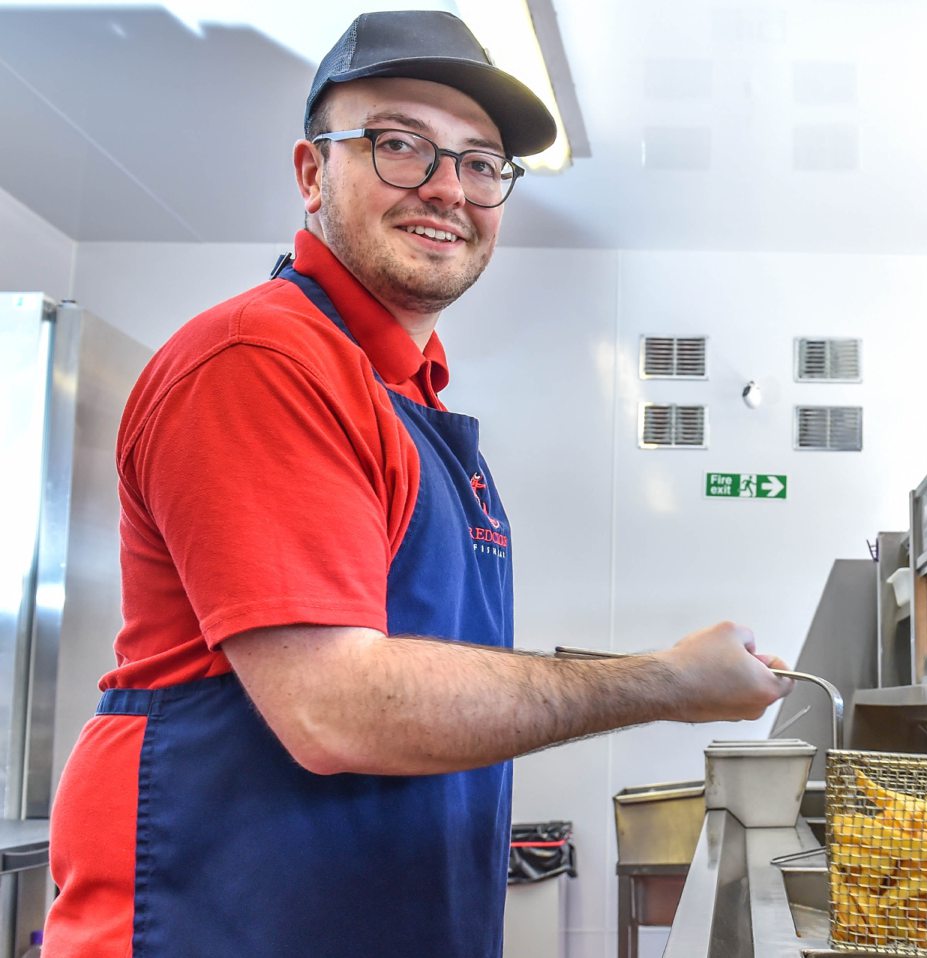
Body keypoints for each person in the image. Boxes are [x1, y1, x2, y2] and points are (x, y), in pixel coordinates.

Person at [44, 11, 792, 957]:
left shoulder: (405, 396)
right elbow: (334, 706)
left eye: (481, 164)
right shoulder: (261, 360)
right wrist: (666, 682)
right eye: (400, 145)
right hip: (215, 921)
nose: (448, 188)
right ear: (314, 174)